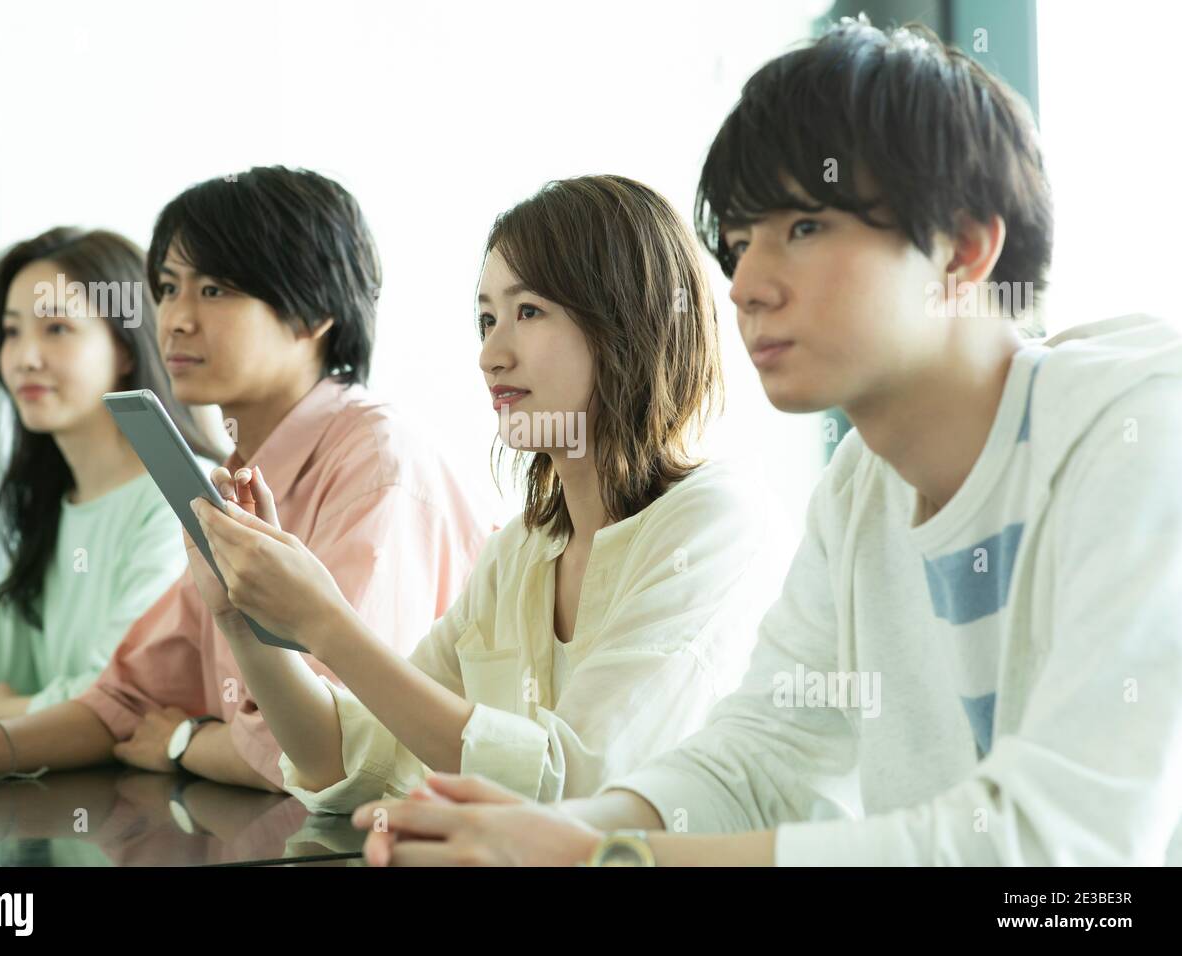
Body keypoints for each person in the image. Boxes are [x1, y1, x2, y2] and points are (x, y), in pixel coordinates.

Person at [347, 19, 1182, 866]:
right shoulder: (863, 483)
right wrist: (556, 831)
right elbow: (759, 758)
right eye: (741, 243)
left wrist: (597, 858)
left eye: (804, 228)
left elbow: (1066, 857)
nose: (745, 285)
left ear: (962, 251)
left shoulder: (1138, 431)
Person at [187, 174, 787, 810]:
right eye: (485, 319)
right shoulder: (521, 553)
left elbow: (574, 783)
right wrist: (244, 620)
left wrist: (324, 621)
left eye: (528, 312)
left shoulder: (716, 524)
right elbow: (343, 757)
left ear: (628, 322)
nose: (490, 355)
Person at [0, 167, 490, 793]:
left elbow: (337, 751)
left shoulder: (377, 467)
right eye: (169, 287)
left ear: (314, 315)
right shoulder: (236, 479)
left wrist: (184, 741)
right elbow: (125, 699)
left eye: (216, 290)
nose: (173, 318)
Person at [0, 227, 216, 727]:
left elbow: (116, 695)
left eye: (56, 328)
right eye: (12, 331)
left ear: (126, 348)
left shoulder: (177, 499)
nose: (24, 358)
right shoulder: (52, 503)